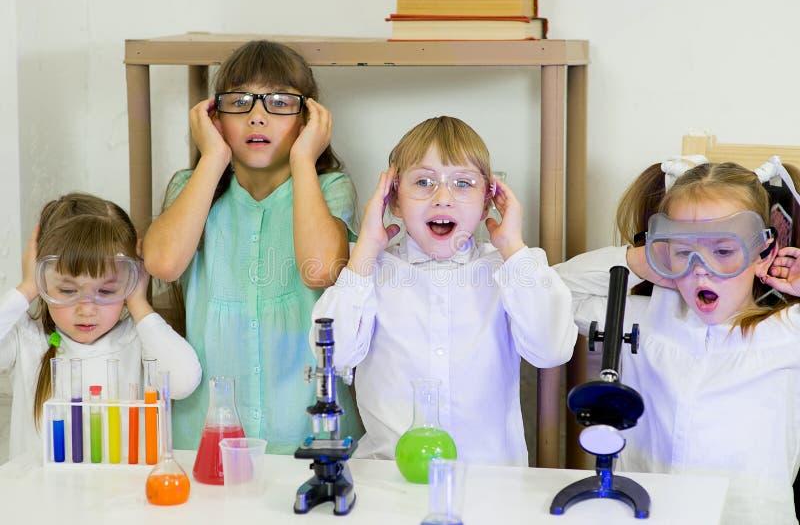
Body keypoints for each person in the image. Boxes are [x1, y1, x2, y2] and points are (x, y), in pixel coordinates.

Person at [311, 116, 577, 466]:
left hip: (489, 482)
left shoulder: (509, 269)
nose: (443, 198)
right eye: (423, 181)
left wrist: (512, 246)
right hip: (389, 479)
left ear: (488, 203)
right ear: (392, 200)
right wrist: (365, 250)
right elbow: (332, 355)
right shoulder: (370, 273)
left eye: (463, 184)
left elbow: (551, 349)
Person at [143, 40, 361, 452]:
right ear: (214, 117)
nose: (257, 117)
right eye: (239, 102)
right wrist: (212, 158)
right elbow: (163, 263)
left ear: (309, 118)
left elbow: (320, 269)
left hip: (311, 431)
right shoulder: (190, 188)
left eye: (280, 103)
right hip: (209, 434)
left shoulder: (330, 188)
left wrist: (302, 160)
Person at [555, 158, 800, 524]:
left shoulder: (787, 330)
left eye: (723, 250)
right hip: (650, 513)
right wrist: (639, 261)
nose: (702, 268)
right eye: (685, 251)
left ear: (762, 251)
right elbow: (552, 291)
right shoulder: (643, 319)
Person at [0, 192, 201, 459]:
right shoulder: (26, 339)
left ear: (129, 282)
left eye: (106, 292)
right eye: (67, 290)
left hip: (123, 497)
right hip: (42, 498)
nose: (87, 309)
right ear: (42, 279)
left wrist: (138, 302)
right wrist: (25, 288)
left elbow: (184, 380)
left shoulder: (137, 340)